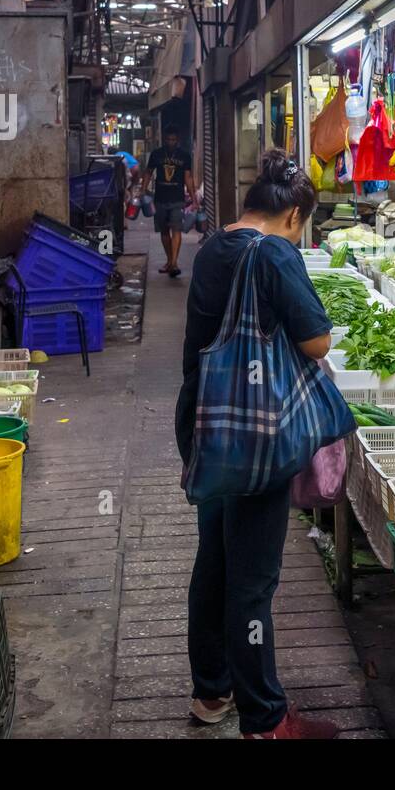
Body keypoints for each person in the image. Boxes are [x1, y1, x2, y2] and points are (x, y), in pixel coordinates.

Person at [176, 149, 339, 740]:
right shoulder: (274, 253)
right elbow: (317, 340)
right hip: (255, 433)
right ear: (293, 214)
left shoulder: (215, 244)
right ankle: (266, 720)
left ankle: (210, 693)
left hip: (204, 423)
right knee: (253, 579)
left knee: (214, 560)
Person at [142, 125, 196, 276]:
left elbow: (188, 178)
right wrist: (142, 190)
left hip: (177, 199)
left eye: (173, 140)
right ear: (164, 140)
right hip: (160, 199)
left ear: (177, 140)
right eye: (168, 139)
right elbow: (148, 173)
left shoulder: (184, 156)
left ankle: (174, 263)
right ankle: (169, 260)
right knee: (164, 231)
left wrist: (193, 199)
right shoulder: (157, 154)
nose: (171, 142)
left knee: (176, 229)